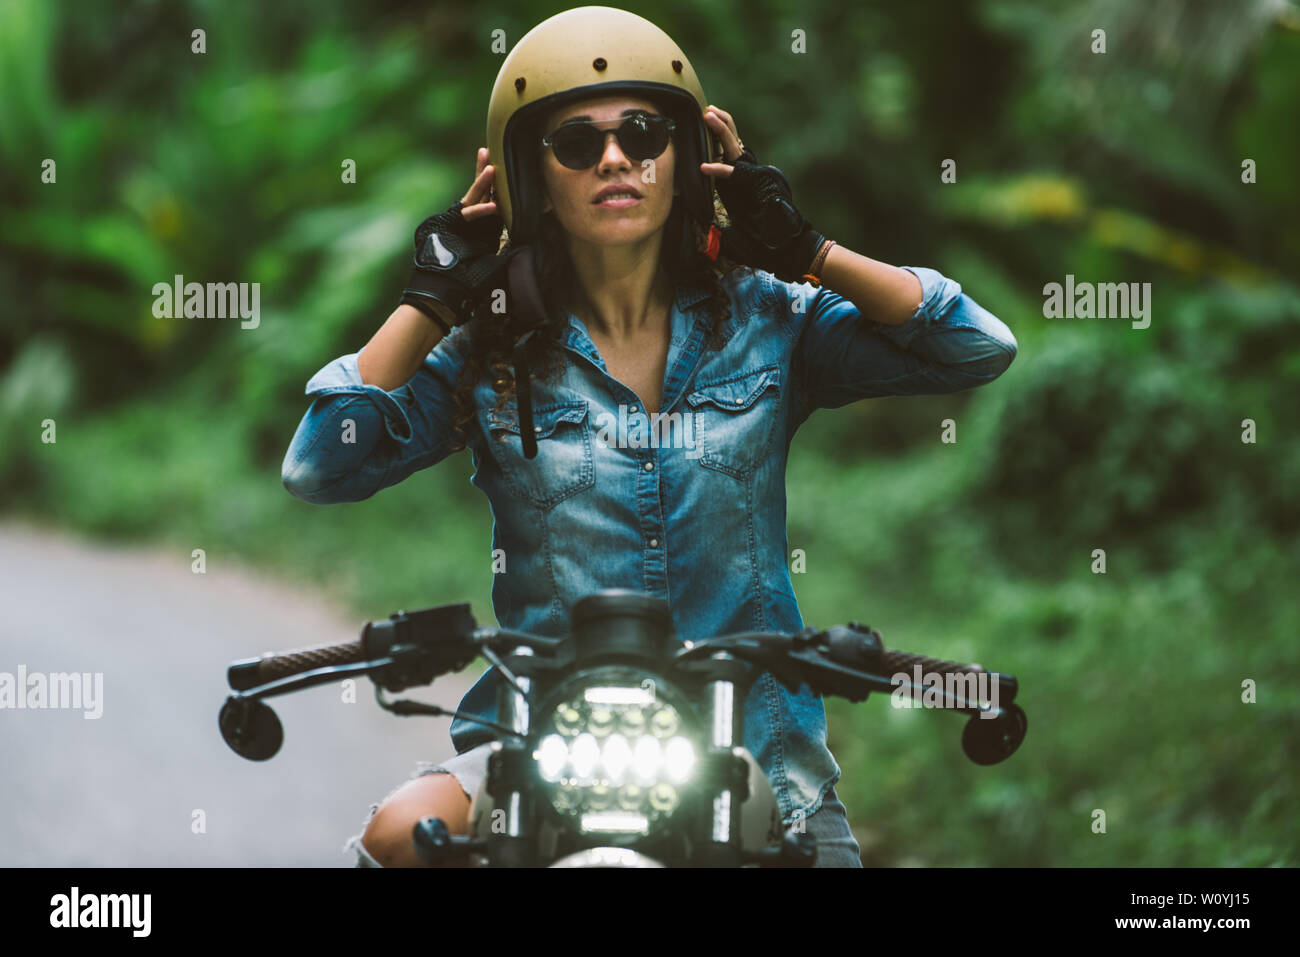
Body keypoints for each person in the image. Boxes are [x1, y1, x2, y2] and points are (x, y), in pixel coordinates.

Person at [281, 7, 1018, 868]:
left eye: (641, 133)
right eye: (575, 144)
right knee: (395, 837)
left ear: (682, 159)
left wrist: (809, 249)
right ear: (531, 175)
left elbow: (974, 345)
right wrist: (432, 298)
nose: (615, 160)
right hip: (538, 749)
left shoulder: (773, 320)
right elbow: (318, 465)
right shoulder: (487, 349)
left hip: (753, 756)